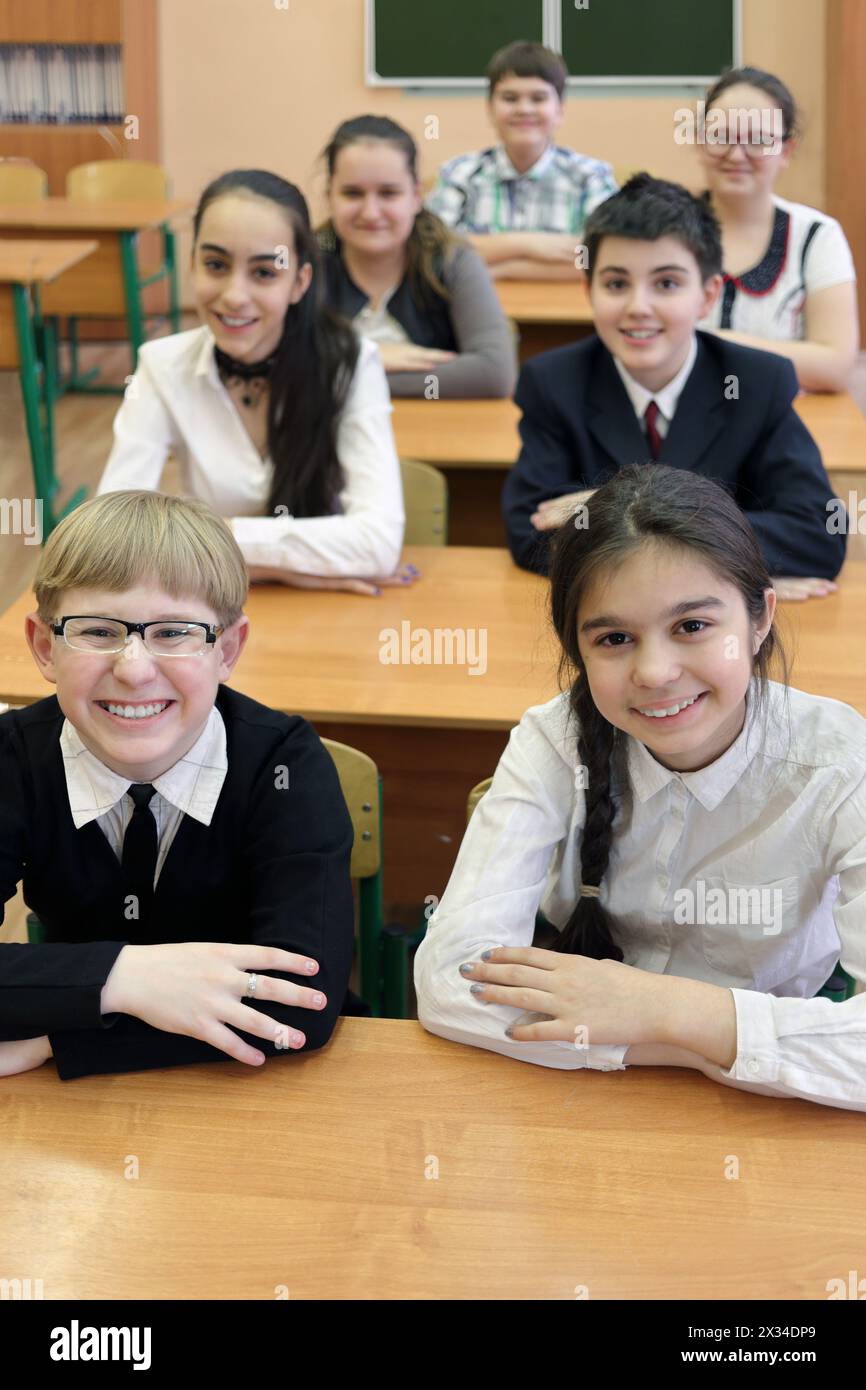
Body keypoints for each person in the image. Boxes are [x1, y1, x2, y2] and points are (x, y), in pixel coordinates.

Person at [416, 465, 866, 1112]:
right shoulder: (554, 739)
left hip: (761, 1111)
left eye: (692, 627)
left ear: (760, 619)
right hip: (586, 1092)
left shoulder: (841, 763)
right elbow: (445, 981)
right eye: (615, 639)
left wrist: (661, 1010)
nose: (654, 672)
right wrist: (694, 1042)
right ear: (576, 647)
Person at [0, 490, 357, 1081]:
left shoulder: (285, 764)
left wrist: (59, 1041)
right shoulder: (12, 758)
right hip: (88, 1118)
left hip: (259, 1086)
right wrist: (125, 977)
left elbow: (302, 1003)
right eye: (96, 631)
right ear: (44, 646)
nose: (135, 669)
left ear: (228, 649)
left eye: (174, 633)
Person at [502, 174, 846, 600]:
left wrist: (616, 510)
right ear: (587, 290)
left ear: (707, 295)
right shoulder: (553, 382)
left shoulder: (757, 382)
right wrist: (733, 568)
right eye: (616, 284)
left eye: (666, 283)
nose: (638, 307)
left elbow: (819, 535)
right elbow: (529, 532)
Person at [98, 169, 412, 599]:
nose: (234, 295)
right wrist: (290, 570)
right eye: (215, 265)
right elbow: (111, 532)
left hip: (324, 610)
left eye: (264, 273)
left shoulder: (351, 362)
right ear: (192, 266)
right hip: (207, 607)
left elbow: (378, 545)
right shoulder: (161, 364)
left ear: (299, 282)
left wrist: (216, 538)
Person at [319, 115, 516, 399]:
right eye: (352, 194)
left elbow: (494, 375)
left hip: (436, 435)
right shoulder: (307, 264)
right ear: (329, 197)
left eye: (388, 193)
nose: (371, 212)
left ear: (415, 196)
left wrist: (350, 369)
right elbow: (270, 365)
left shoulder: (454, 261)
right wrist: (367, 357)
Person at [695, 66, 858, 393]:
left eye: (757, 139)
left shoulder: (817, 236)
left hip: (780, 425)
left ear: (786, 151)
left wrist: (723, 346)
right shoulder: (663, 229)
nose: (736, 154)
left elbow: (837, 366)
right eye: (721, 136)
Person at [426, 40, 617, 280]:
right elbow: (431, 253)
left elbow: (604, 259)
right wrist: (529, 244)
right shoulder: (458, 174)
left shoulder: (591, 177)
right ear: (490, 109)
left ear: (560, 111)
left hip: (566, 314)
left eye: (538, 99)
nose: (524, 109)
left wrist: (501, 268)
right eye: (510, 98)